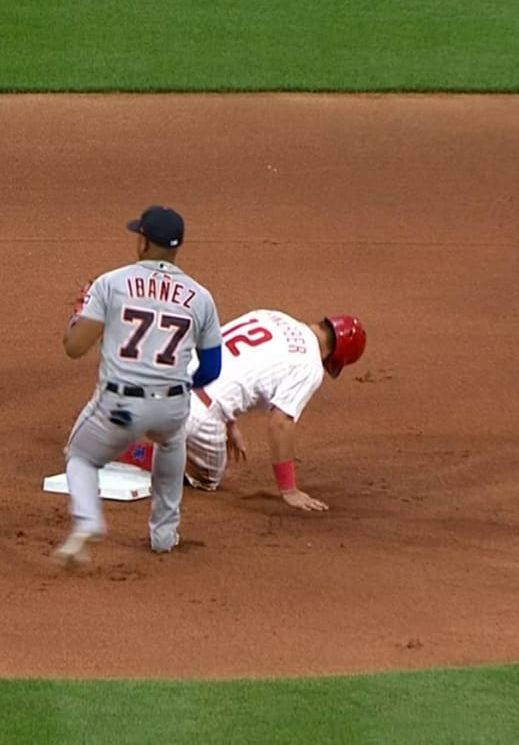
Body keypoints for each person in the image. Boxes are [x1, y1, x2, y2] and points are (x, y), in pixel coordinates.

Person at [53, 205, 223, 565]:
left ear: (143, 243)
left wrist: (79, 313)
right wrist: (175, 389)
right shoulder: (201, 297)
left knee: (81, 457)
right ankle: (164, 536)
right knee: (171, 441)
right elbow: (212, 368)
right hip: (174, 404)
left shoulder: (110, 283)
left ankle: (87, 520)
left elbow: (74, 348)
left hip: (121, 405)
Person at [138, 309, 367, 511]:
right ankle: (136, 454)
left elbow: (230, 362)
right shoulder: (309, 366)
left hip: (167, 377)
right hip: (193, 412)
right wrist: (289, 490)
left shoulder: (270, 316)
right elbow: (281, 423)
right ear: (338, 358)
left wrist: (230, 423)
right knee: (207, 479)